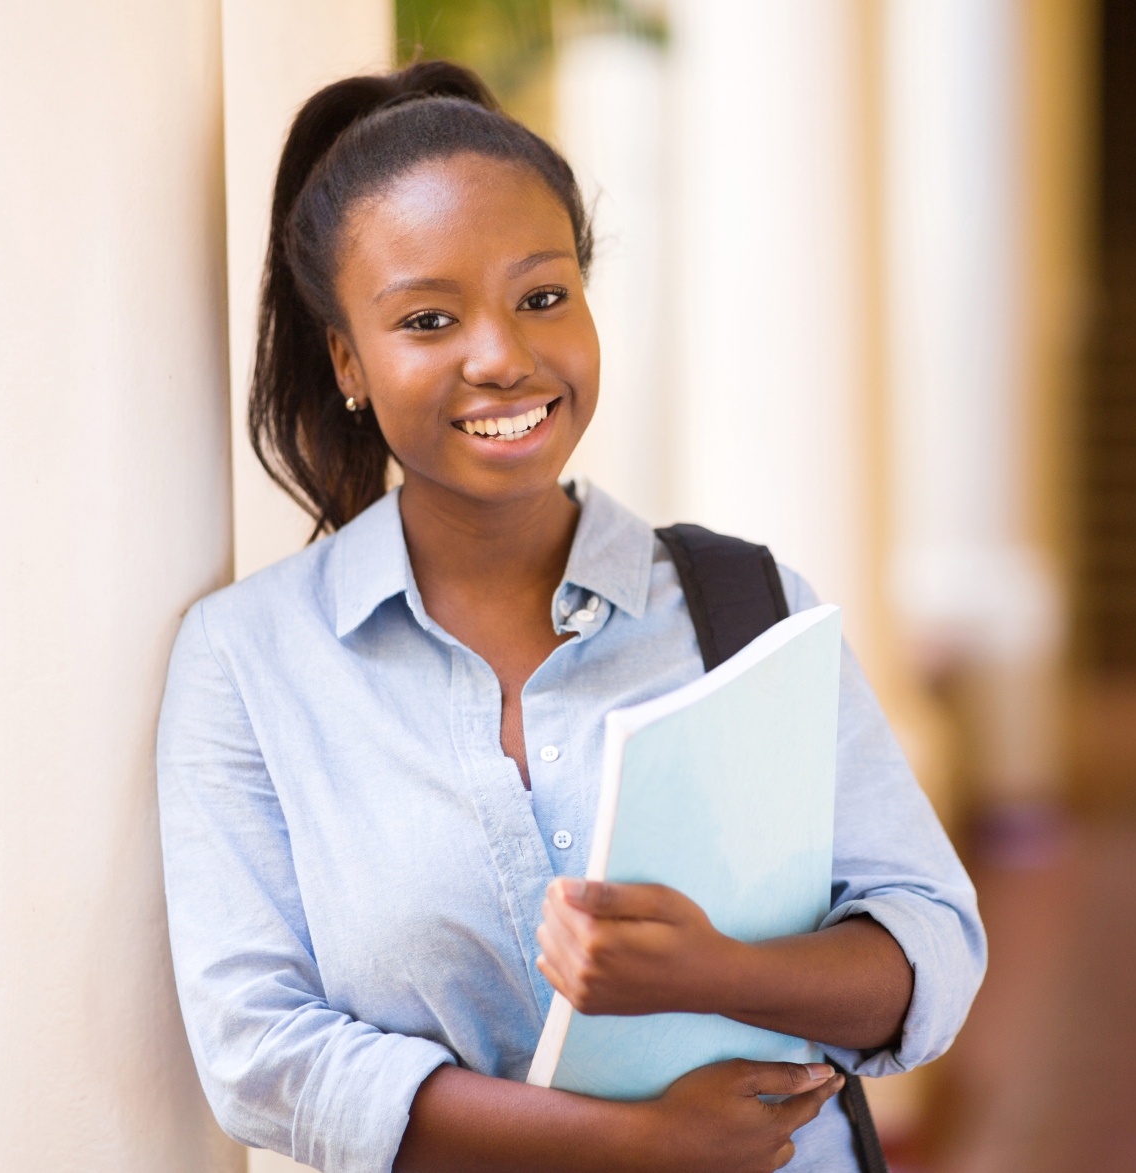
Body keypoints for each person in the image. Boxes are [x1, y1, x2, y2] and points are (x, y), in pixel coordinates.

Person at [156, 58, 984, 1173]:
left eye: (541, 297)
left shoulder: (743, 606)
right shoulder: (249, 659)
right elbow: (263, 1054)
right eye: (428, 318)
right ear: (347, 358)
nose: (501, 356)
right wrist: (633, 1143)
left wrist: (707, 970)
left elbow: (928, 941)